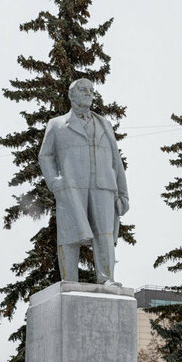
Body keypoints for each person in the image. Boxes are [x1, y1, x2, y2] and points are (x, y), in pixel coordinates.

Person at [38, 78, 129, 284]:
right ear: (72, 95)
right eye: (82, 89)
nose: (88, 93)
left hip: (103, 187)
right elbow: (45, 156)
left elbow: (116, 160)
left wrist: (123, 193)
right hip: (71, 187)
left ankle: (106, 278)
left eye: (90, 90)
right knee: (69, 234)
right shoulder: (57, 124)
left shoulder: (104, 124)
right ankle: (69, 280)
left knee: (104, 234)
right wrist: (55, 182)